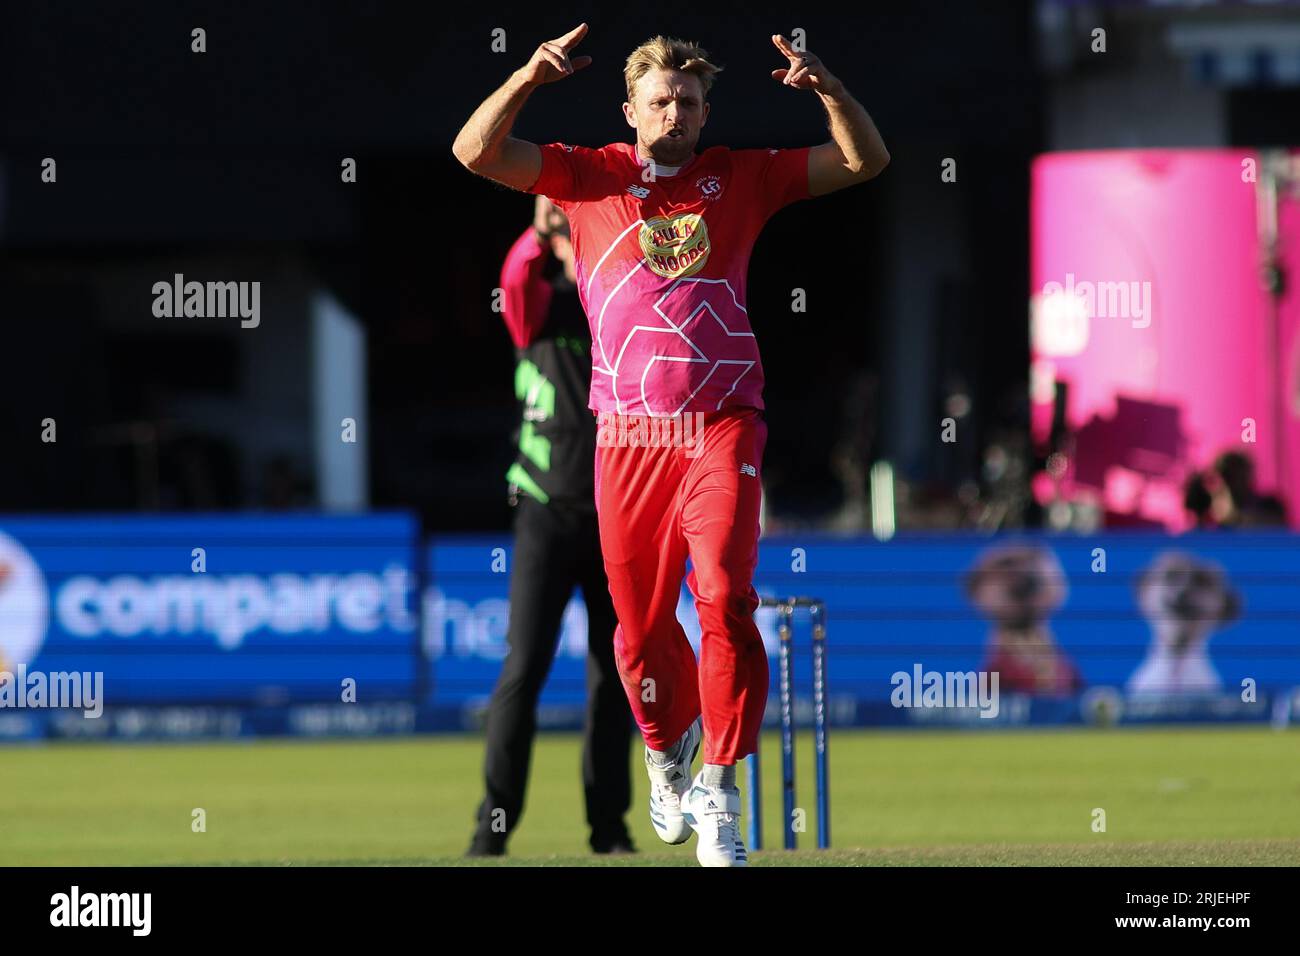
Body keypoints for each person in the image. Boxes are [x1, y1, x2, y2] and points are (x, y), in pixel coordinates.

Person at [453, 25, 888, 866]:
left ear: (705, 109)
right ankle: (666, 755)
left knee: (725, 594)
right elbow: (475, 152)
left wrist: (829, 88)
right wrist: (528, 77)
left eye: (689, 101)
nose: (676, 113)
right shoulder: (589, 174)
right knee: (640, 634)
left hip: (724, 424)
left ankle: (720, 790)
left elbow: (864, 163)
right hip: (627, 440)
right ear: (631, 109)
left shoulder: (743, 173)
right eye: (660, 100)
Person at [467, 196, 636, 857]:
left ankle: (610, 830)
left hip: (614, 516)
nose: (571, 242)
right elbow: (514, 279)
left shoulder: (617, 305)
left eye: (577, 232)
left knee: (613, 677)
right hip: (543, 511)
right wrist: (541, 230)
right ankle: (493, 831)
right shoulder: (535, 306)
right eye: (565, 233)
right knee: (524, 670)